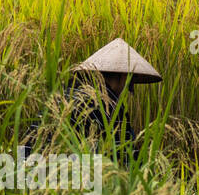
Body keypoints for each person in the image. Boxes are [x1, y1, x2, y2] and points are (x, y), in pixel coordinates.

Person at [21, 38, 161, 165]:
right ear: (124, 76)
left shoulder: (60, 97)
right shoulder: (109, 107)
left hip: (32, 175)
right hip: (76, 180)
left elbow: (27, 145)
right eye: (130, 81)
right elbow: (128, 158)